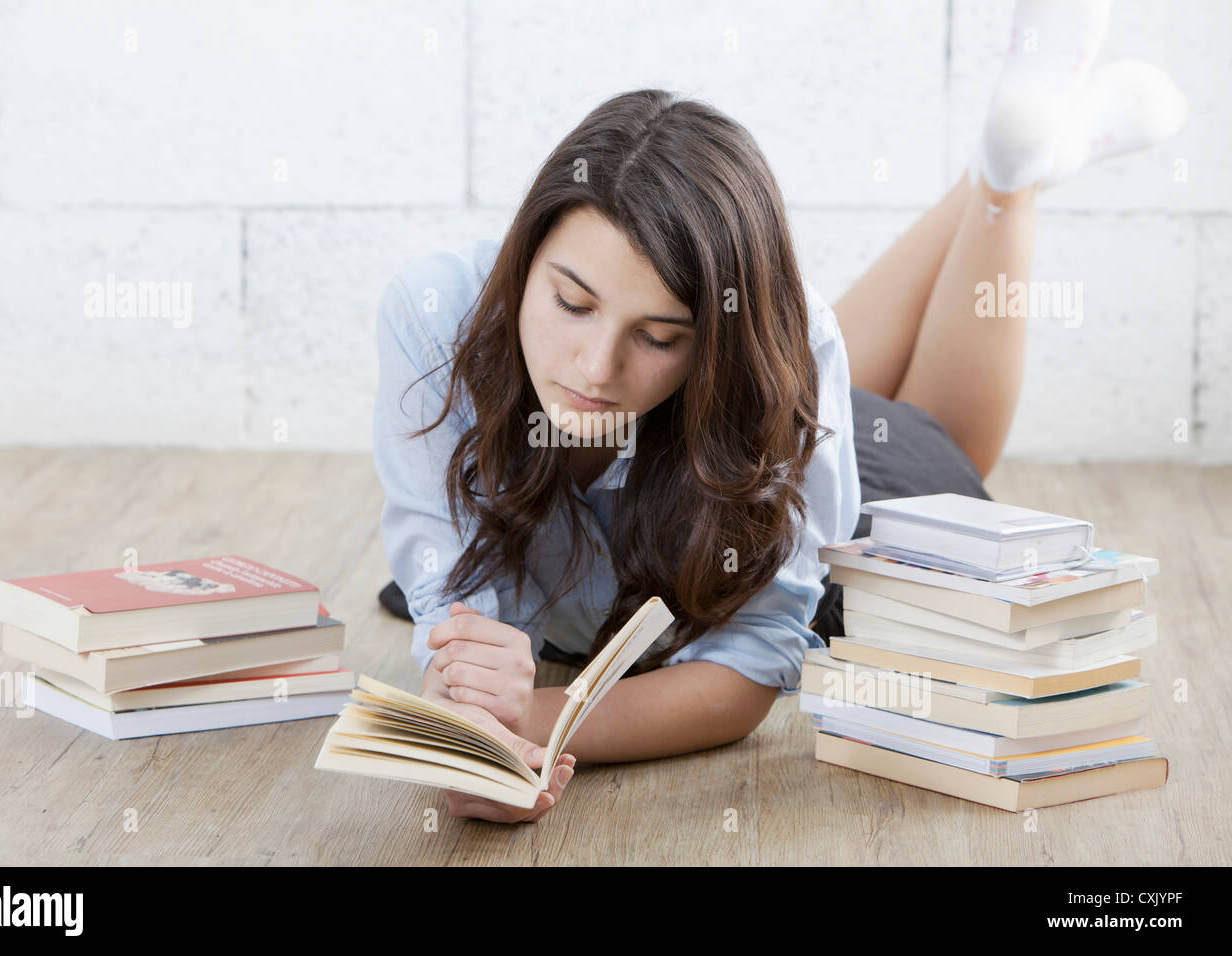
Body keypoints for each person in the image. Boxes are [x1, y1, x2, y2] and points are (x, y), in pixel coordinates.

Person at [372, 0, 1187, 823]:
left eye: (658, 336)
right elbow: (453, 611)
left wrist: (528, 727)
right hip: (767, 390)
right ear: (526, 251)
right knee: (813, 354)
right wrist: (463, 724)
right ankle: (1010, 157)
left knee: (936, 437)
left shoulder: (782, 362)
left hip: (840, 477)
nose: (594, 368)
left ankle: (1008, 183)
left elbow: (746, 672)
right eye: (571, 303)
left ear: (708, 342)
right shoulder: (438, 317)